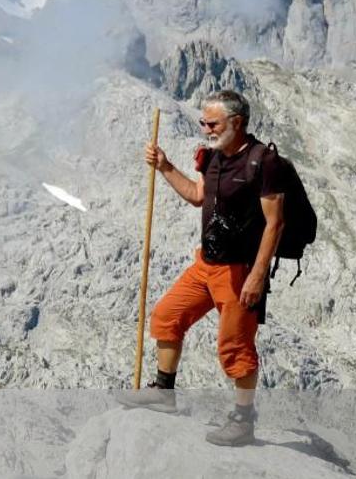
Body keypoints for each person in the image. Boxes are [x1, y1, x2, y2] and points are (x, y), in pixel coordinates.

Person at [118, 89, 285, 447]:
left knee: (235, 348)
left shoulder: (262, 162)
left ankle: (243, 421)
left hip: (239, 271)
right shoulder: (213, 158)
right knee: (166, 316)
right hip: (206, 264)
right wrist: (165, 166)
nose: (206, 128)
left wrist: (258, 275)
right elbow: (197, 196)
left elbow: (275, 224)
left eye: (212, 123)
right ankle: (164, 393)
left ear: (236, 123)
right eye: (203, 122)